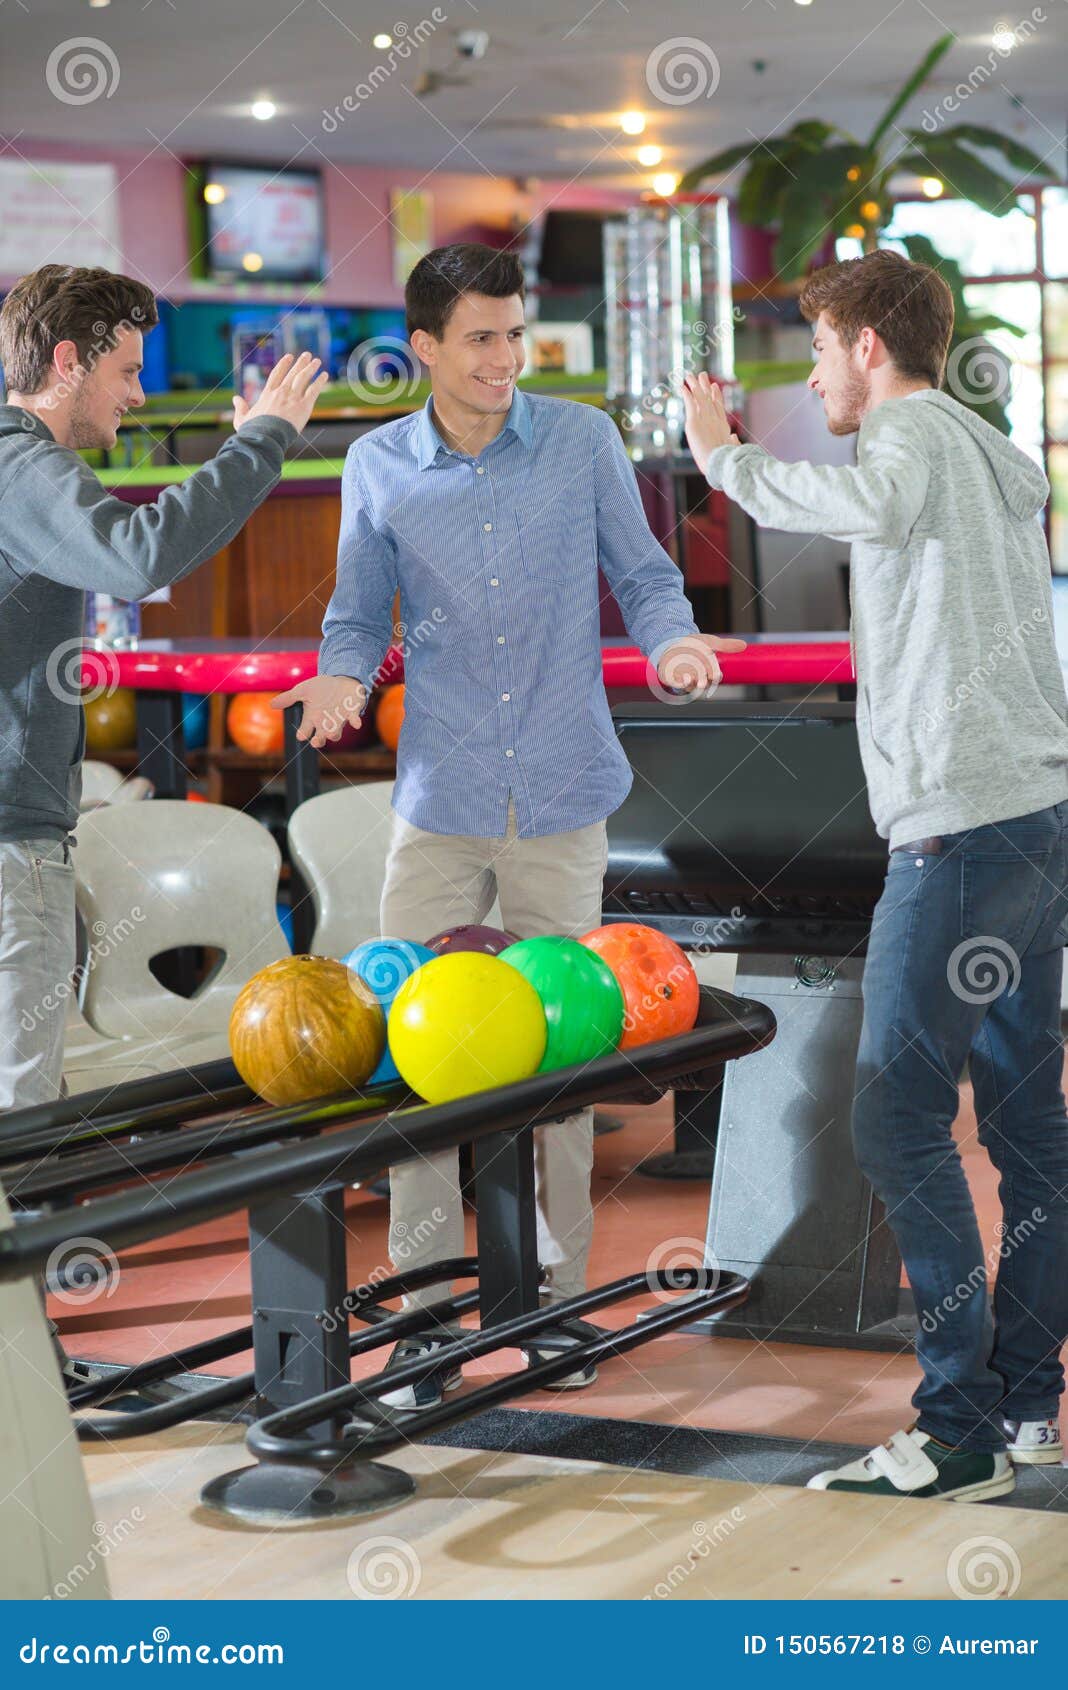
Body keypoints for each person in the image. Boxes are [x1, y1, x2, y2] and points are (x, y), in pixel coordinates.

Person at [275, 242, 744, 1405]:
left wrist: (672, 639)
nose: (502, 358)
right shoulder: (378, 465)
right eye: (478, 337)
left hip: (563, 798)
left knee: (568, 1051)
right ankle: (429, 1318)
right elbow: (352, 614)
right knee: (417, 1051)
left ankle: (554, 1312)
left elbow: (643, 576)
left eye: (513, 335)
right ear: (424, 346)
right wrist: (341, 680)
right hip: (437, 805)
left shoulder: (578, 440)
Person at [682, 248, 1068, 1503]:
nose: (814, 374)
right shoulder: (996, 453)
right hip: (1039, 823)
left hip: (958, 835)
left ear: (867, 347)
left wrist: (721, 455)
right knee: (1028, 1132)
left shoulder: (903, 441)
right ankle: (1025, 1409)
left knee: (897, 1119)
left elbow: (864, 504)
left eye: (817, 349)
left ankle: (954, 1425)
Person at [0, 264, 326, 1374]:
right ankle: (17, 1382)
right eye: (127, 371)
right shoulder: (19, 464)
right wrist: (263, 439)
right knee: (15, 1115)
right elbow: (139, 554)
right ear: (64, 363)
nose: (137, 395)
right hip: (6, 848)